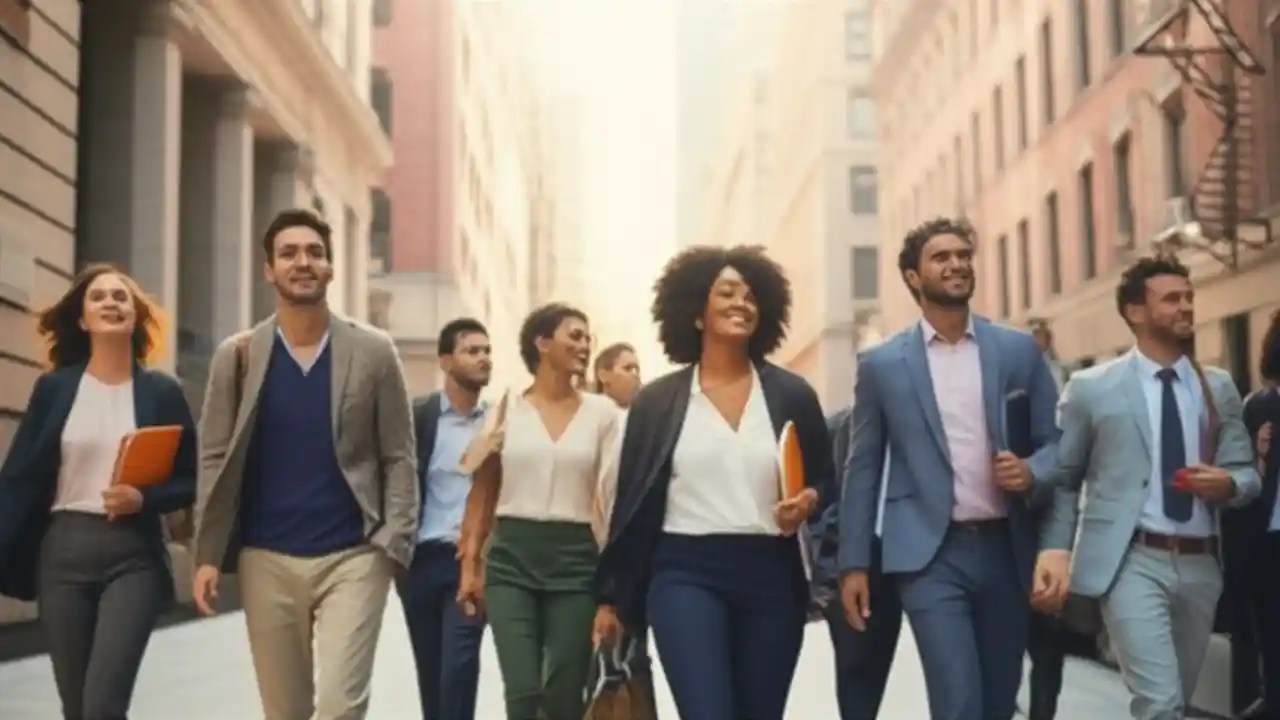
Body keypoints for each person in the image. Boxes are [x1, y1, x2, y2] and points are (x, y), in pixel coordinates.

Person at [191, 209, 418, 720]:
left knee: (340, 707)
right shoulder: (238, 355)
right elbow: (214, 456)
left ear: (331, 267)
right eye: (289, 253)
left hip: (354, 556)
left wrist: (393, 542)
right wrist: (207, 552)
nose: (303, 262)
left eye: (315, 252)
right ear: (269, 269)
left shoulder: (373, 351)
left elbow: (399, 454)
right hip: (266, 559)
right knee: (286, 711)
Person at [594, 245, 832, 720]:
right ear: (696, 312)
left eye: (751, 295)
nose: (741, 302)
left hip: (772, 574)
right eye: (726, 293)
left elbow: (827, 479)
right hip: (684, 572)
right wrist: (610, 598)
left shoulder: (791, 394)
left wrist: (809, 499)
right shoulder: (657, 403)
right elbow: (631, 505)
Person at [839, 217, 1063, 720]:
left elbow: (1056, 444)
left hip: (1007, 548)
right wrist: (853, 563)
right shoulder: (882, 365)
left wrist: (1031, 472)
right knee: (957, 701)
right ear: (913, 277)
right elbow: (863, 467)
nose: (957, 264)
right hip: (929, 557)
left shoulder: (1017, 350)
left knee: (998, 702)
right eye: (941, 257)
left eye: (963, 255)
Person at [1039, 256, 1261, 719]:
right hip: (1132, 561)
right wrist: (1056, 551)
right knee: (1159, 703)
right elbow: (1065, 478)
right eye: (1172, 299)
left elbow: (1246, 472)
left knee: (1176, 702)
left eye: (1188, 297)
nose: (1186, 307)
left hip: (1201, 563)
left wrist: (1227, 484)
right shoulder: (1092, 388)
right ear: (1136, 311)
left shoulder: (1217, 387)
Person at [0, 264, 196, 719]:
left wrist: (144, 499)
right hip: (62, 557)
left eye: (120, 297)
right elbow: (18, 476)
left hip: (133, 558)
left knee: (103, 705)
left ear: (135, 316)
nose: (111, 302)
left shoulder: (162, 392)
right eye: (99, 297)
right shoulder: (54, 389)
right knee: (76, 708)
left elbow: (190, 477)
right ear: (82, 319)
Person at [456, 303, 620, 720]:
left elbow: (614, 500)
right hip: (512, 559)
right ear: (542, 343)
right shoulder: (508, 408)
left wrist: (613, 592)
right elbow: (483, 489)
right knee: (523, 690)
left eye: (587, 338)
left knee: (565, 691)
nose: (584, 346)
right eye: (574, 336)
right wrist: (470, 566)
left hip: (577, 560)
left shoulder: (603, 415)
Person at [400, 318, 492, 720]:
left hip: (469, 563)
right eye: (472, 351)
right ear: (445, 361)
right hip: (421, 562)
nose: (483, 358)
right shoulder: (418, 417)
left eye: (487, 351)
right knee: (432, 675)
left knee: (459, 668)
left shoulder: (497, 422)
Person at [813, 406, 901, 720]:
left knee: (871, 669)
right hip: (849, 565)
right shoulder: (837, 428)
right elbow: (819, 502)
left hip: (906, 563)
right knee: (856, 670)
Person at [1230, 309, 1280, 718]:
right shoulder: (1258, 407)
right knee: (1267, 638)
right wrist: (1258, 454)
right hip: (1268, 545)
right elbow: (1240, 483)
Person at [593, 341, 642, 408]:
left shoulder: (644, 411)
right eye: (627, 368)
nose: (635, 375)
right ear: (603, 376)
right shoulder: (591, 411)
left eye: (637, 370)